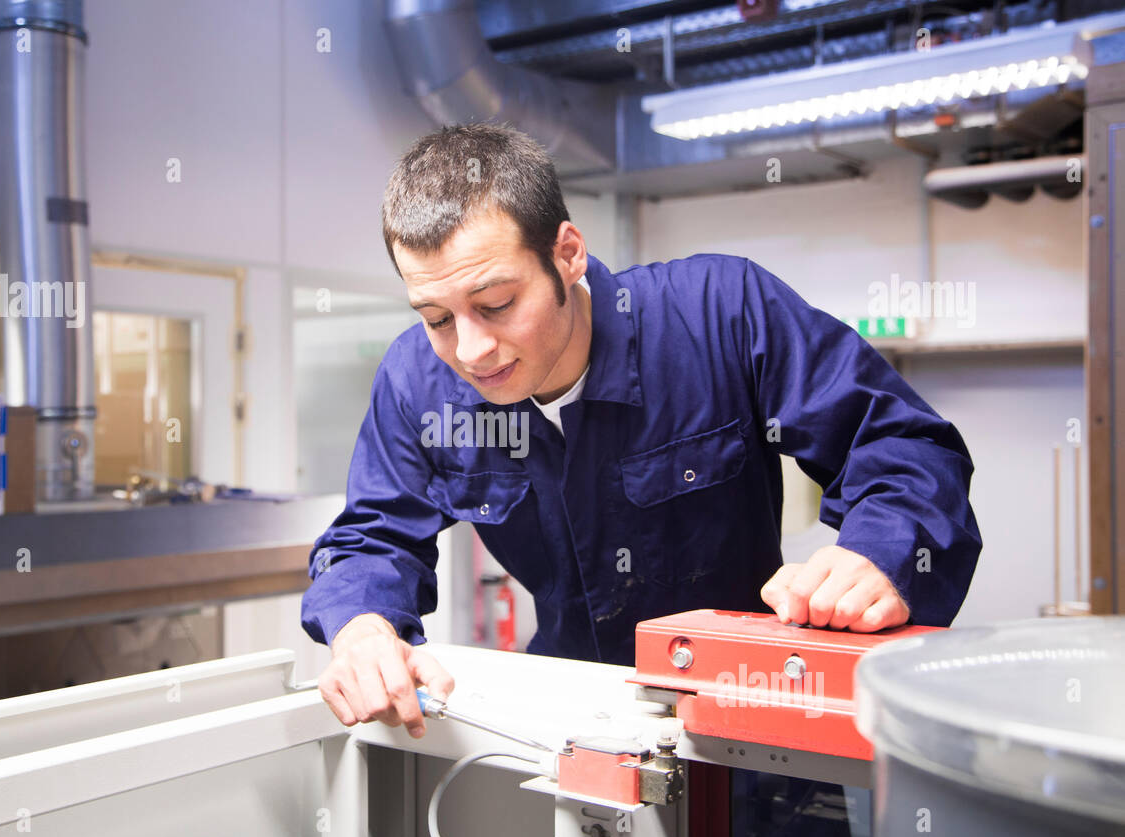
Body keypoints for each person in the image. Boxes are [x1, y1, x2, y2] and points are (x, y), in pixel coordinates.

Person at [301, 122, 981, 740]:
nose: (471, 349)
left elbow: (903, 445)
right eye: (437, 317)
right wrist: (362, 628)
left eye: (497, 304)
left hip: (747, 720)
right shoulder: (417, 380)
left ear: (566, 253)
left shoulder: (721, 314)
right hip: (566, 722)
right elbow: (373, 534)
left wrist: (880, 553)